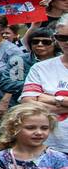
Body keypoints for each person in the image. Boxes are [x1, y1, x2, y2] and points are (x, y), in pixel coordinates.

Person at [20, 15, 68, 153]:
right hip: (49, 145)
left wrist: (49, 98)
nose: (66, 43)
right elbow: (27, 103)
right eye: (62, 38)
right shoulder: (41, 68)